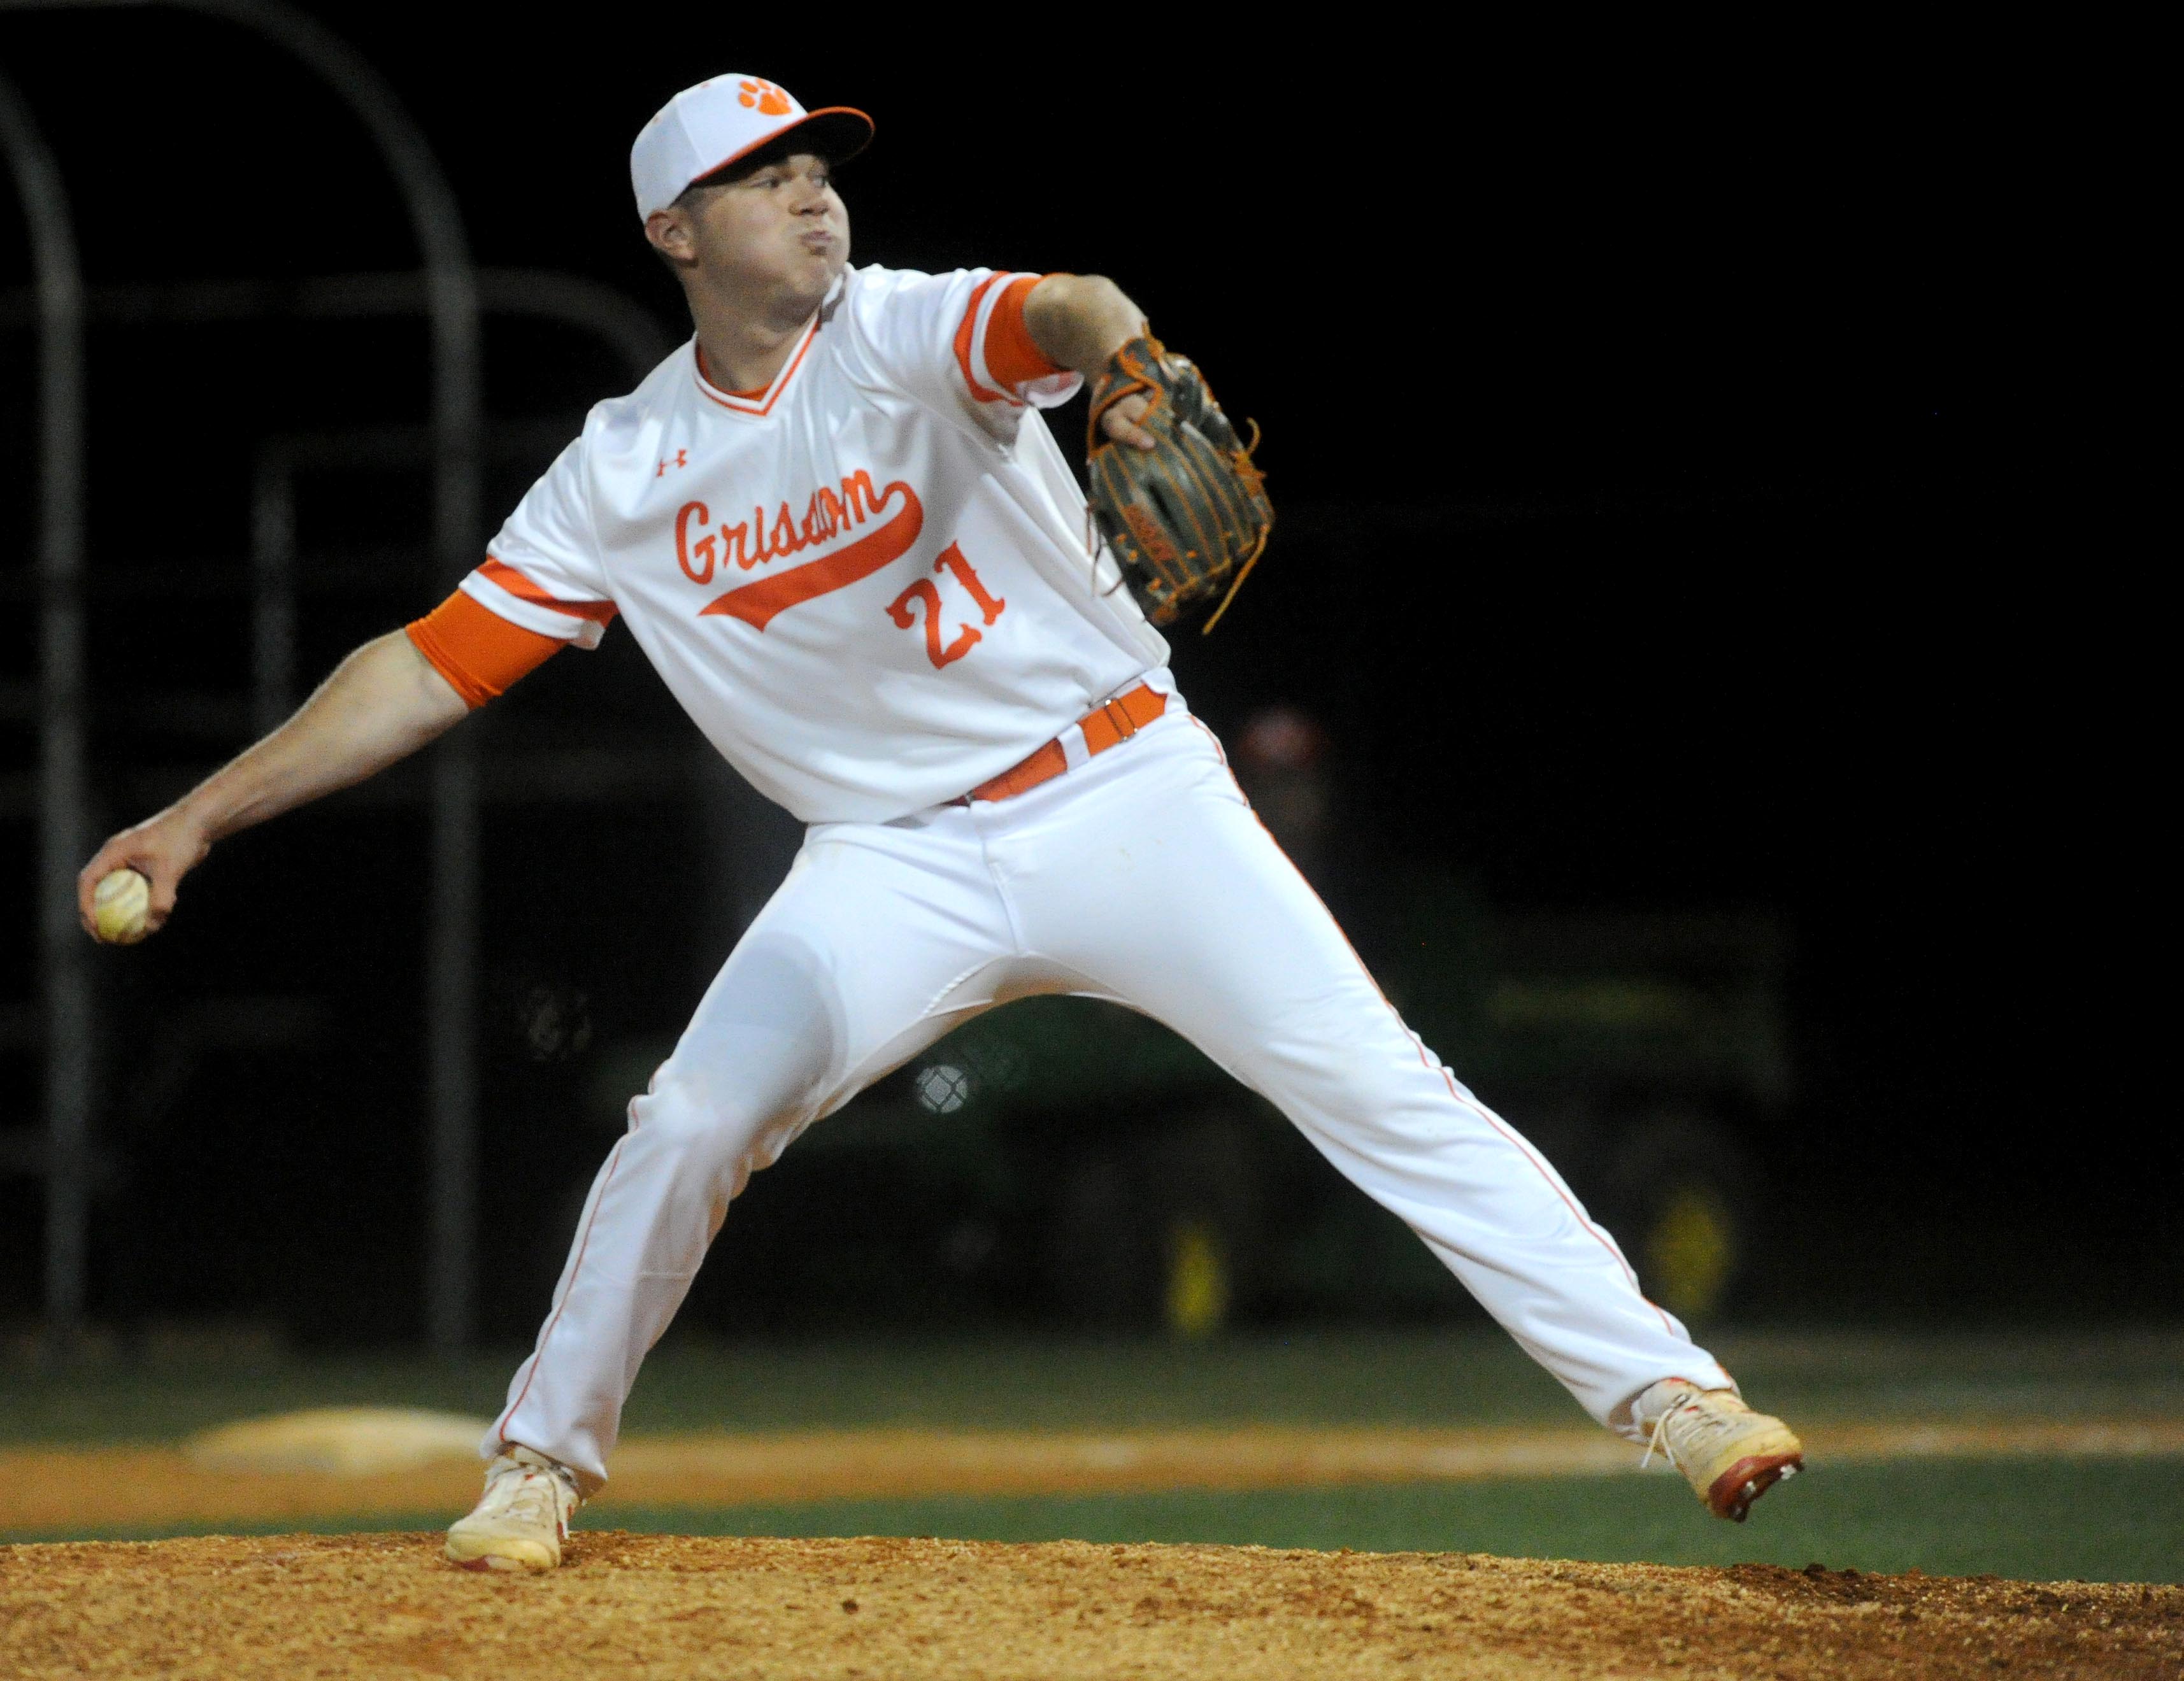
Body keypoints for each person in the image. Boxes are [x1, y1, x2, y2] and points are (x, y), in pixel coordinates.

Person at [77, 73, 1804, 1573]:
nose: (812, 188)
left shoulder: (899, 327)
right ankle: (534, 1471)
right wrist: (197, 818)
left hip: (1125, 789)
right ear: (675, 233)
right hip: (889, 863)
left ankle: (1676, 1400)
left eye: (818, 164)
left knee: (1378, 1084)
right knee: (687, 1120)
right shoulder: (621, 470)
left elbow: (1057, 307)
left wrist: (1121, 350)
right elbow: (430, 665)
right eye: (765, 174)